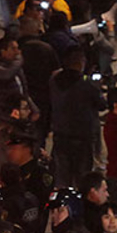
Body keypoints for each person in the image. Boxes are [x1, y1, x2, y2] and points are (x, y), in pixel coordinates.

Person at [48, 48, 105, 190]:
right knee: (82, 177)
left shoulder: (54, 81)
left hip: (60, 135)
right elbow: (102, 105)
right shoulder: (86, 83)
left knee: (62, 177)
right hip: (81, 137)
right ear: (80, 62)